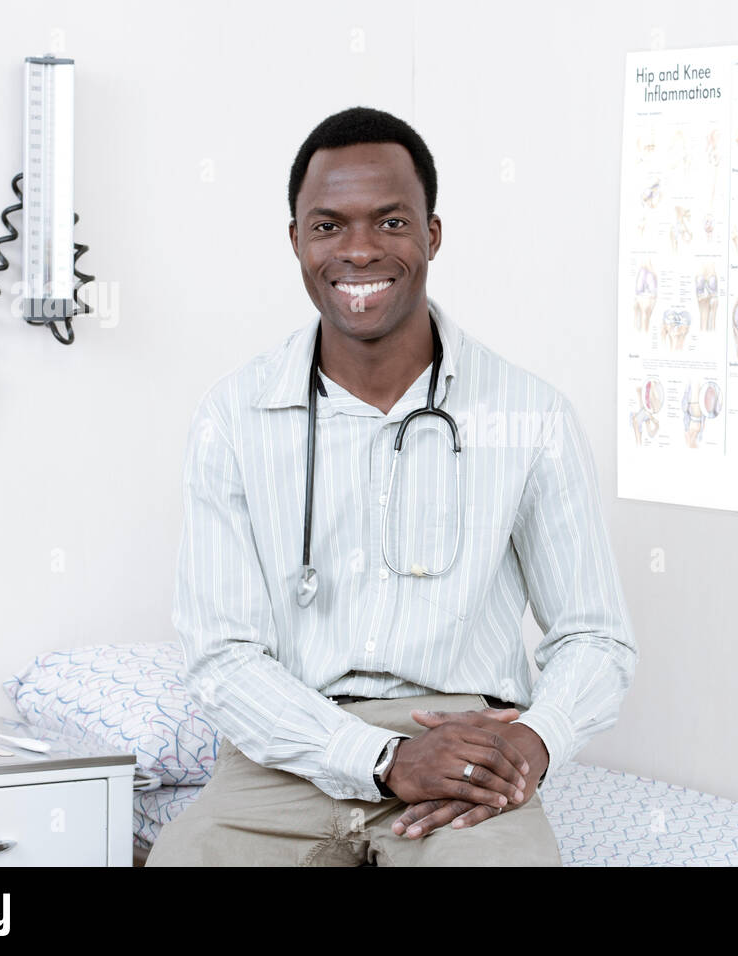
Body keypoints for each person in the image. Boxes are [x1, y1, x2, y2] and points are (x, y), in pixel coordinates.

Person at [147, 106, 636, 866]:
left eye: (391, 221)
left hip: (462, 753)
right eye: (329, 226)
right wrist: (379, 760)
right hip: (288, 752)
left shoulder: (529, 415)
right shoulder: (232, 418)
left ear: (432, 235)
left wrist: (534, 742)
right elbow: (223, 657)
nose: (360, 250)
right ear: (297, 242)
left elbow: (595, 636)